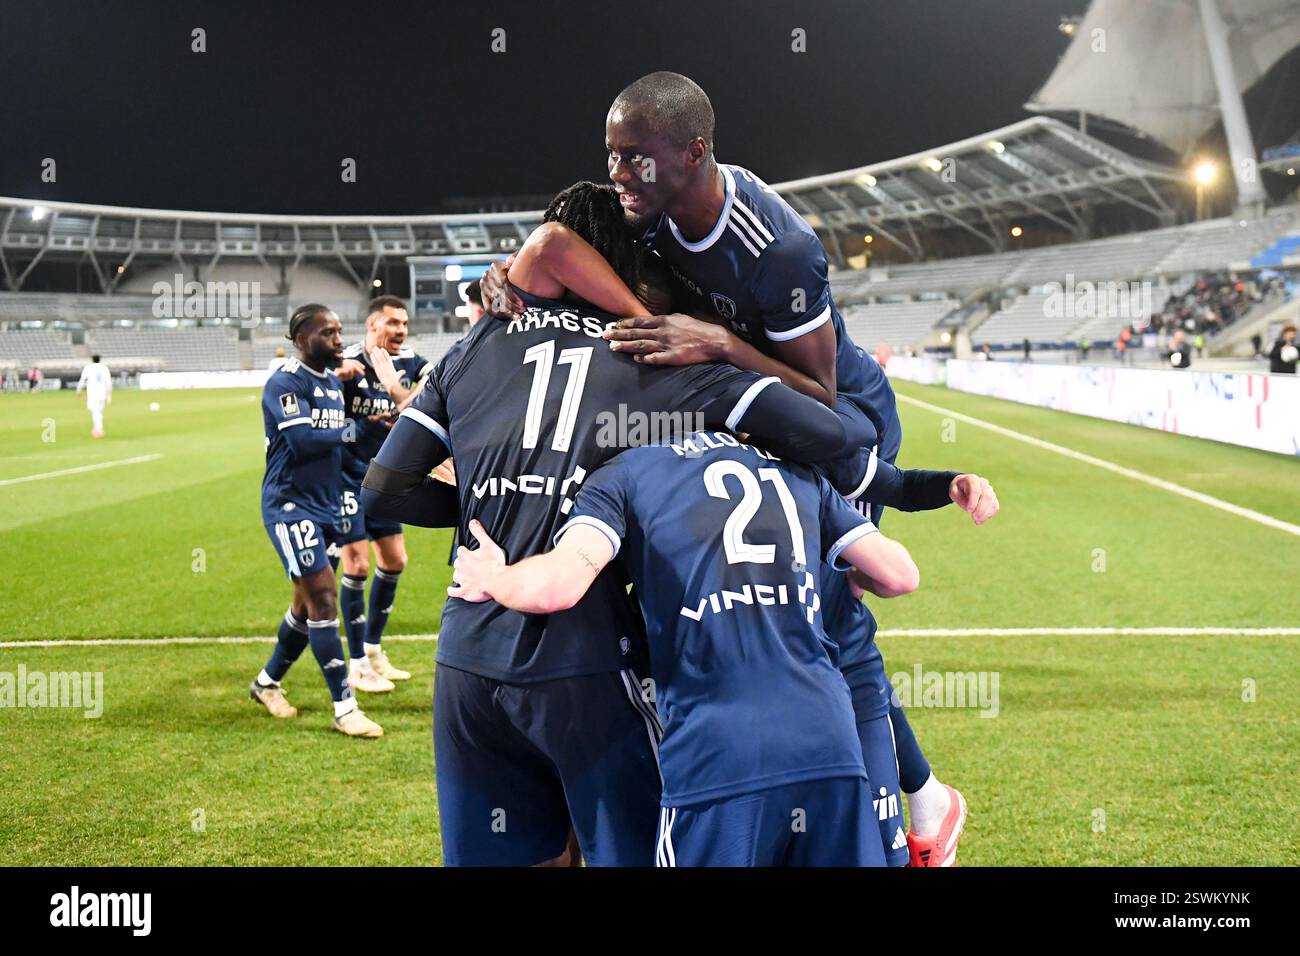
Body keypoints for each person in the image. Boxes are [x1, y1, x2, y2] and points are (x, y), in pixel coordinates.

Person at [479, 72, 963, 865]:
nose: (619, 173)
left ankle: (913, 802)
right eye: (612, 155)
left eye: (635, 158)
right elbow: (567, 243)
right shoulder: (649, 213)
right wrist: (511, 275)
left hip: (833, 417)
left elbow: (823, 398)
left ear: (695, 151)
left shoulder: (779, 248)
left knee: (823, 612)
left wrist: (721, 344)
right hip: (731, 396)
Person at [448, 434, 924, 867]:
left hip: (717, 752)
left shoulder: (626, 474)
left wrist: (494, 575)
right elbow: (900, 576)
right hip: (829, 739)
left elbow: (557, 587)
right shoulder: (793, 467)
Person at [248, 304, 383, 738]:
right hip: (290, 507)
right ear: (303, 339)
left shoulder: (329, 380)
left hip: (327, 506)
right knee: (324, 598)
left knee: (306, 607)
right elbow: (304, 441)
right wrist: (358, 430)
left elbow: (339, 443)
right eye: (329, 333)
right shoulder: (284, 383)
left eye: (340, 331)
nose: (339, 340)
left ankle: (266, 683)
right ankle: (345, 709)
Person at [333, 295, 430, 691]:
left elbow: (434, 387)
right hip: (345, 479)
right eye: (392, 323)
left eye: (404, 324)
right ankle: (355, 664)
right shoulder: (345, 364)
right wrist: (359, 426)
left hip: (383, 479)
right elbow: (323, 421)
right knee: (355, 564)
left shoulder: (411, 362)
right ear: (373, 324)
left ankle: (373, 651)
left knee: (394, 560)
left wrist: (400, 395)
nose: (401, 331)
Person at [75, 355, 112, 438]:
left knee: (95, 411)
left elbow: (82, 379)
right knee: (98, 411)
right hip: (102, 392)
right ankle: (97, 428)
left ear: (92, 360)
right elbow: (108, 382)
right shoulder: (104, 368)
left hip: (92, 393)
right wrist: (109, 394)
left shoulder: (88, 367)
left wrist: (78, 391)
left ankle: (98, 430)